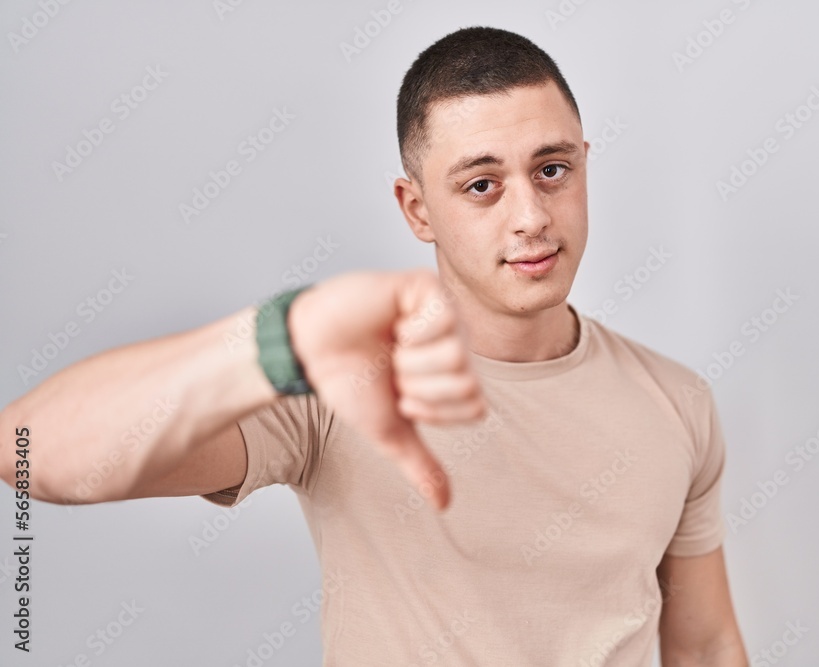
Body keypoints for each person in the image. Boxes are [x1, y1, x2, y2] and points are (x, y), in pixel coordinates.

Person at [0, 25, 748, 666]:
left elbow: (705, 645)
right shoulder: (338, 386)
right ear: (416, 208)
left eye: (552, 170)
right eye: (481, 186)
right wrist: (276, 339)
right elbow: (28, 449)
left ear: (584, 163)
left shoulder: (676, 400)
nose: (531, 216)